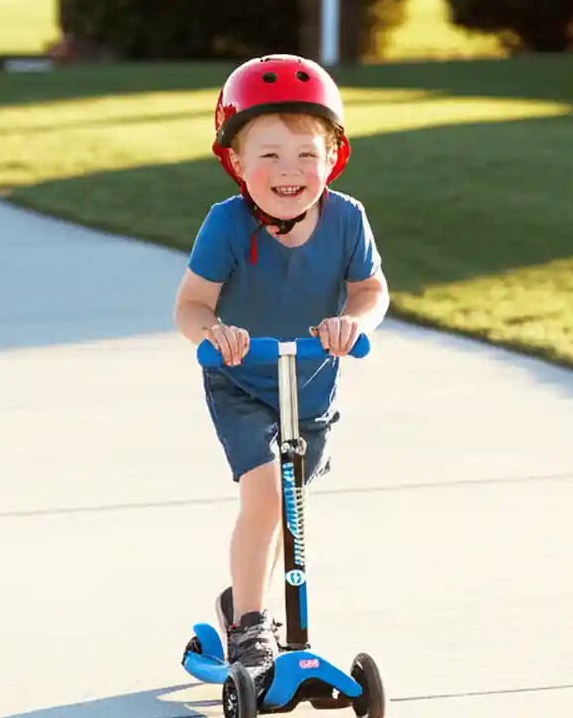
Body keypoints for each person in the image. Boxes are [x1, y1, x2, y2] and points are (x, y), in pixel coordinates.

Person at [172, 53, 390, 687]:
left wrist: (356, 324)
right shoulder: (227, 224)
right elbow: (190, 306)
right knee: (265, 494)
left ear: (333, 159)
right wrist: (214, 334)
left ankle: (244, 605)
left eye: (305, 154)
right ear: (237, 164)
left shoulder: (347, 218)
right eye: (268, 155)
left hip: (311, 383)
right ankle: (248, 631)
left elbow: (370, 289)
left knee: (287, 509)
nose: (289, 170)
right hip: (242, 380)